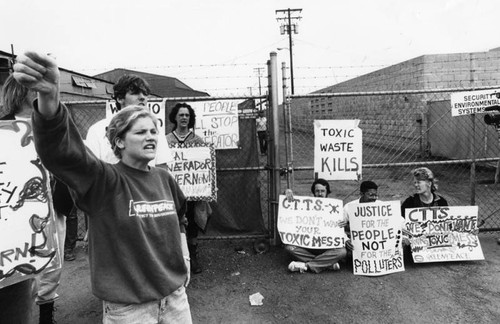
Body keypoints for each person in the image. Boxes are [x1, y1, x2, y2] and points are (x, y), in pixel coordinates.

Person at [15, 51, 193, 323]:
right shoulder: (105, 181)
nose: (151, 138)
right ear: (119, 141)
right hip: (130, 309)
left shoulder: (164, 179)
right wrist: (50, 99)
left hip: (175, 300)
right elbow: (65, 155)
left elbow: (179, 219)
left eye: (154, 132)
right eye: (140, 132)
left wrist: (184, 259)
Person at [0, 74, 72, 324]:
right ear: (21, 93)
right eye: (35, 89)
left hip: (53, 205)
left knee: (52, 261)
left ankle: (45, 313)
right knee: (20, 270)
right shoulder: (4, 129)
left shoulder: (50, 126)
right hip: (18, 211)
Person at [85, 73, 171, 166]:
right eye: (135, 93)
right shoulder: (97, 130)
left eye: (145, 93)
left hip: (145, 180)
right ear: (120, 98)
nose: (142, 97)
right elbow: (91, 169)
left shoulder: (153, 128)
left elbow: (161, 166)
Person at [166, 102, 212, 274]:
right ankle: (175, 260)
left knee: (192, 225)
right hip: (172, 193)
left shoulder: (198, 141)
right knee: (172, 224)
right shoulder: (166, 141)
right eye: (181, 115)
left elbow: (204, 167)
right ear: (175, 118)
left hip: (192, 194)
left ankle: (193, 257)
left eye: (187, 115)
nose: (184, 118)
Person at [283, 179, 347, 273]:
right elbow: (290, 207)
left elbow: (342, 231)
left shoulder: (335, 208)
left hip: (326, 247)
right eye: (317, 191)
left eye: (322, 191)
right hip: (307, 246)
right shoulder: (306, 205)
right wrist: (286, 193)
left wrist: (343, 224)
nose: (320, 194)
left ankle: (306, 265)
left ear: (327, 192)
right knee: (289, 248)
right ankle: (327, 264)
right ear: (314, 192)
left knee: (342, 252)